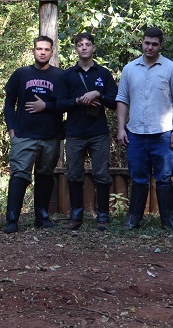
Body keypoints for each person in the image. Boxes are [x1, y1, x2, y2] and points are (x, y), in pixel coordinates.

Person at [116, 27, 173, 230]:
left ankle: (169, 220)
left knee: (164, 178)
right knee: (138, 177)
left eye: (154, 44)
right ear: (142, 42)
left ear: (161, 45)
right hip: (136, 133)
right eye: (147, 43)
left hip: (163, 133)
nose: (150, 47)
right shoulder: (130, 69)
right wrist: (121, 128)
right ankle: (133, 218)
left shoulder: (172, 69)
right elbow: (122, 99)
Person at [3, 36, 66, 234]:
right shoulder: (21, 74)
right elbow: (9, 103)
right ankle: (12, 219)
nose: (42, 52)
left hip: (50, 135)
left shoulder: (60, 76)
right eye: (39, 48)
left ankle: (42, 217)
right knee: (19, 175)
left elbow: (66, 104)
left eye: (46, 49)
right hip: (24, 135)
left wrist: (46, 107)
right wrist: (12, 130)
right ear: (33, 51)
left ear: (52, 52)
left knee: (45, 175)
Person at [57, 33, 118, 231]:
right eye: (80, 45)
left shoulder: (103, 74)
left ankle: (103, 215)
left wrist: (98, 94)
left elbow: (115, 102)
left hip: (98, 132)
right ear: (76, 48)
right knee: (74, 174)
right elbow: (59, 103)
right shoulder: (68, 75)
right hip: (74, 132)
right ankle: (76, 215)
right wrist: (78, 101)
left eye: (88, 44)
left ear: (93, 48)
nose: (84, 47)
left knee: (102, 174)